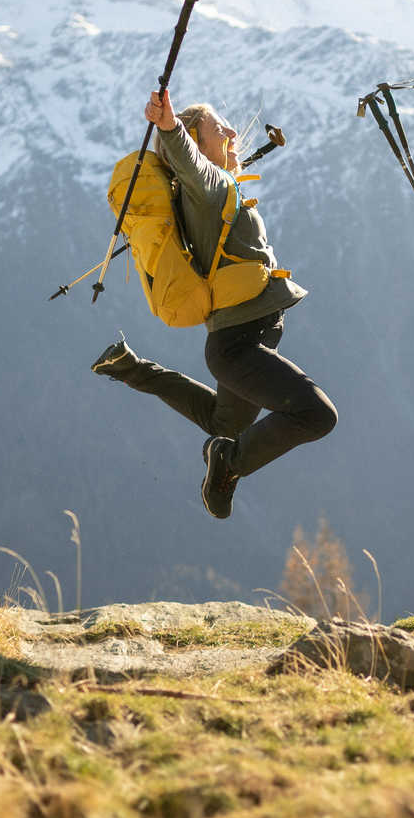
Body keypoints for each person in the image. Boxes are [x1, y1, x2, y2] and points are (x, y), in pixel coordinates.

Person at [91, 89, 336, 517]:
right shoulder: (208, 187)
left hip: (237, 340)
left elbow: (195, 165)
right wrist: (169, 129)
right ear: (197, 147)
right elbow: (189, 162)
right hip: (237, 346)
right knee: (316, 415)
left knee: (226, 425)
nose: (230, 131)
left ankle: (131, 369)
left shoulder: (211, 195)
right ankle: (228, 463)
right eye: (217, 127)